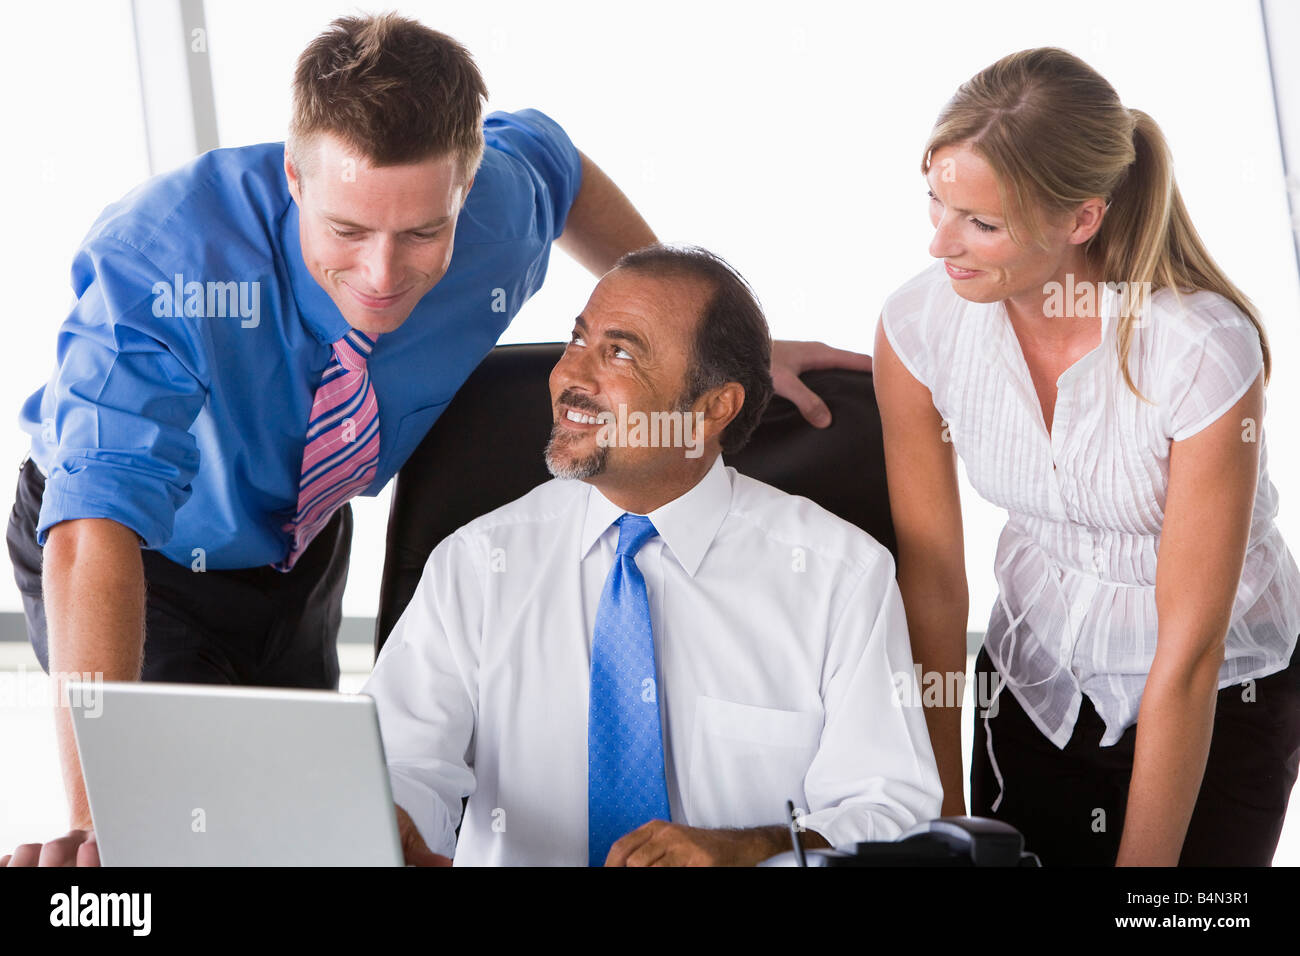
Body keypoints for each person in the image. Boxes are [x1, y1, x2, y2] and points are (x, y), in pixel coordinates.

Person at [2, 14, 869, 868]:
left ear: (464, 188)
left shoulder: (500, 199)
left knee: (300, 829)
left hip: (298, 542)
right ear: (296, 181)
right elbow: (94, 529)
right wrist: (94, 826)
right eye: (347, 231)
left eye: (422, 232)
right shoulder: (166, 261)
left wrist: (710, 348)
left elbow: (561, 168)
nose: (383, 277)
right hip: (141, 556)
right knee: (175, 840)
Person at [364, 245, 941, 866]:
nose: (569, 377)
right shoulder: (478, 564)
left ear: (713, 408)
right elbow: (403, 763)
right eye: (577, 340)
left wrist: (756, 849)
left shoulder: (841, 577)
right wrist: (387, 817)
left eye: (619, 353)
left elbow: (891, 813)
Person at [873, 47, 1300, 866]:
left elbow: (1190, 649)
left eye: (981, 224)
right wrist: (946, 818)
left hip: (1218, 690)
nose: (940, 245)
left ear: (1081, 220)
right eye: (936, 204)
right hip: (1037, 676)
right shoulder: (918, 326)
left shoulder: (1198, 349)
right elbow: (931, 579)